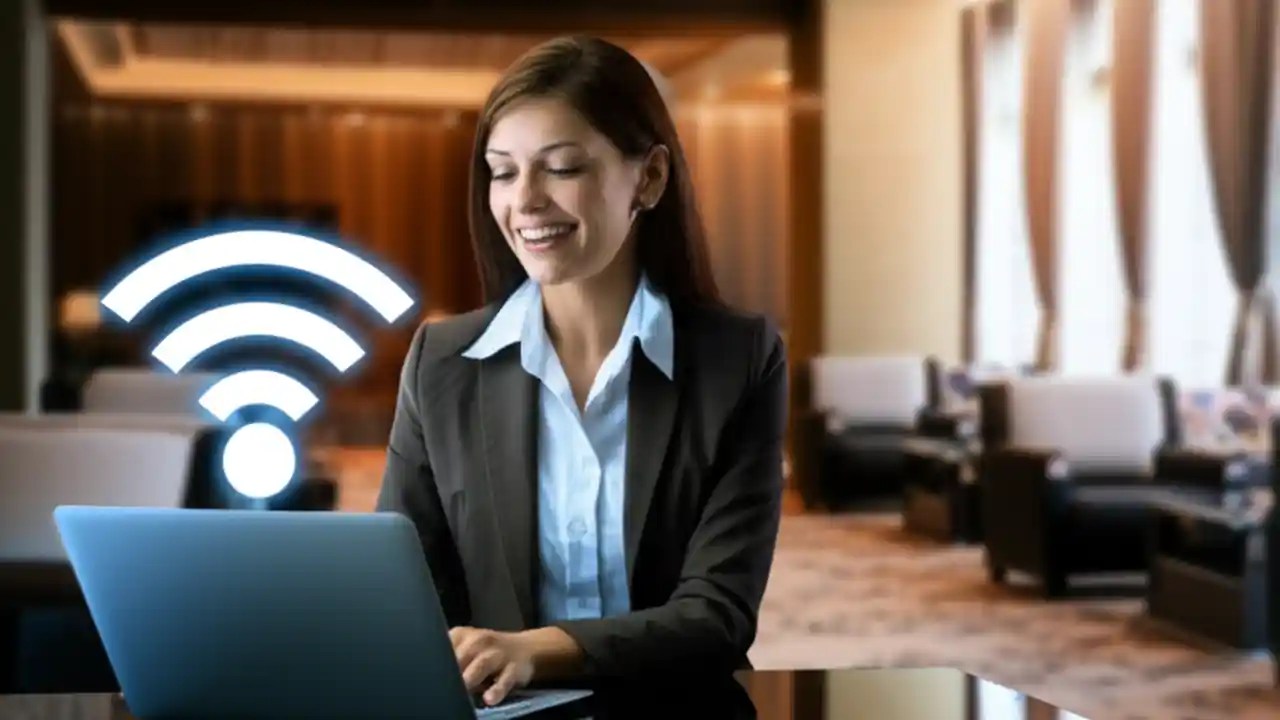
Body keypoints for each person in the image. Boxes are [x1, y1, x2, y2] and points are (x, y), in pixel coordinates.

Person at [376, 35, 787, 706]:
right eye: (502, 172)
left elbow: (718, 613)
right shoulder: (440, 364)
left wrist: (536, 650)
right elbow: (402, 592)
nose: (525, 200)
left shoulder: (737, 360)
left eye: (561, 167)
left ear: (649, 179)